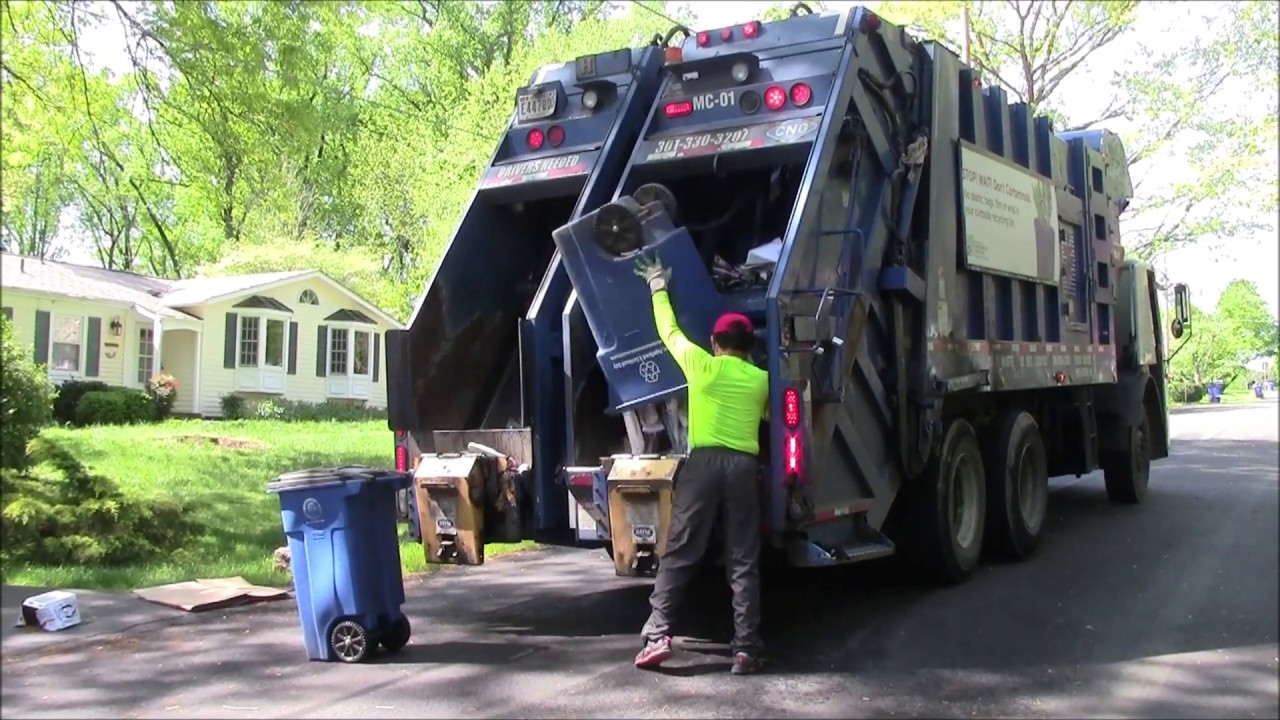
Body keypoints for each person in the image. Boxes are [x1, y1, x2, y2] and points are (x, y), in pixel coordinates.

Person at [631, 251, 770, 676]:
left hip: (703, 465)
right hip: (744, 467)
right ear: (749, 350)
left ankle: (658, 635)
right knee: (743, 557)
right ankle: (745, 648)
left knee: (681, 551)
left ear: (715, 344)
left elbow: (668, 331)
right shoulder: (761, 380)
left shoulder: (702, 367)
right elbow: (770, 417)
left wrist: (657, 285)